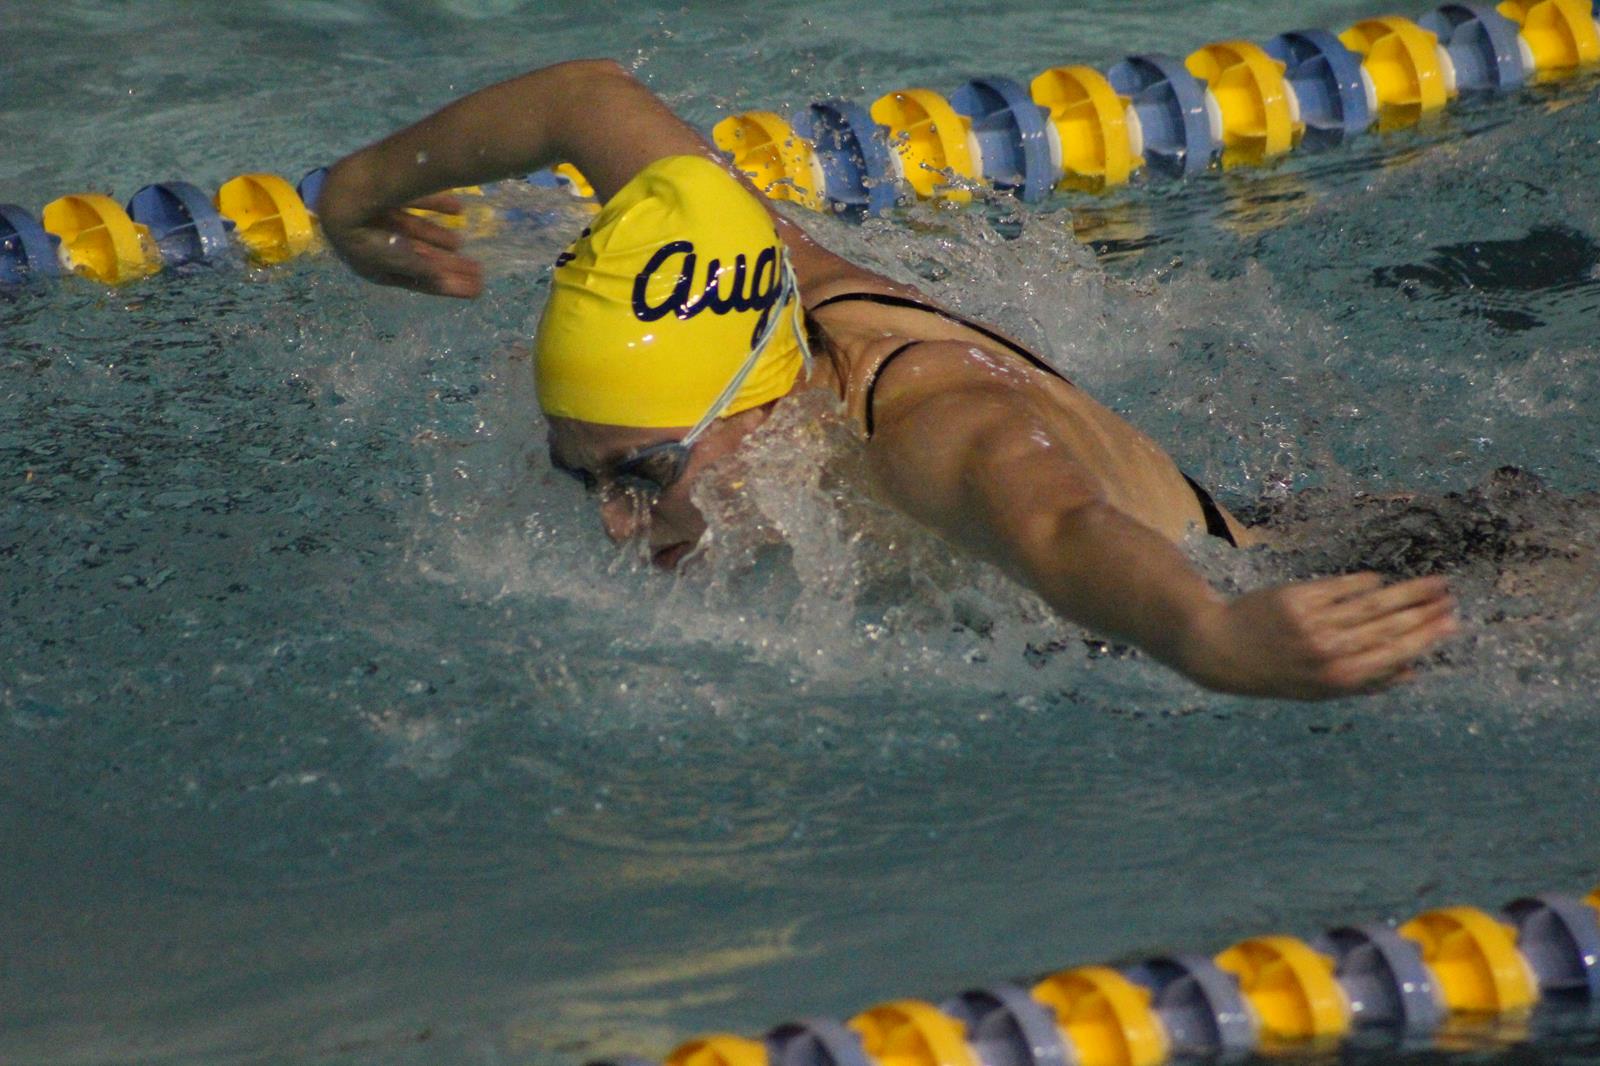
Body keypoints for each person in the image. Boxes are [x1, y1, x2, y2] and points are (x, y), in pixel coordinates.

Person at [316, 58, 1460, 700]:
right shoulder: (752, 267)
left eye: (644, 473)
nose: (619, 525)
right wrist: (356, 189)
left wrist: (1214, 641)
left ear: (755, 404)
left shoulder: (930, 432)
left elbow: (1059, 533)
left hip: (1351, 598)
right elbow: (586, 102)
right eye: (588, 481)